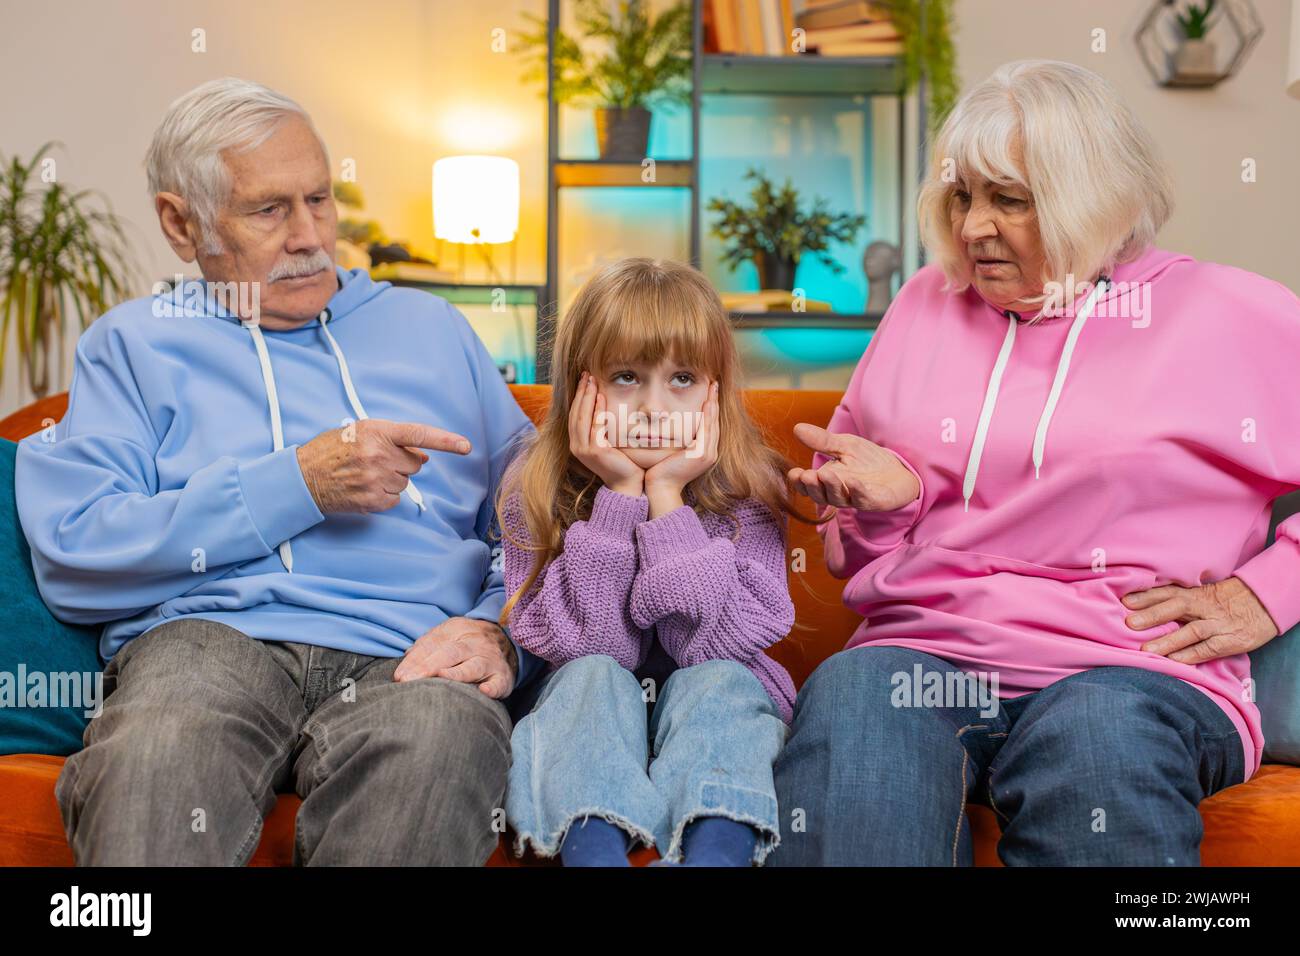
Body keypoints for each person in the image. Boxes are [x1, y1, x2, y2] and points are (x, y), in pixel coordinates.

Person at [769, 59, 1300, 866]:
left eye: (1007, 199)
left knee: (1095, 740)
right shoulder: (924, 304)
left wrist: (1268, 591)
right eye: (961, 196)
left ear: (1094, 198)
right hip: (925, 653)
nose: (973, 226)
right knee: (853, 708)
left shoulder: (1225, 315)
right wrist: (884, 507)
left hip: (1130, 671)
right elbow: (854, 548)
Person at [14, 77, 542, 865]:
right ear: (179, 222)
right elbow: (77, 548)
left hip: (411, 650)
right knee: (157, 756)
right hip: (206, 641)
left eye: (320, 200)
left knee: (442, 741)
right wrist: (296, 484)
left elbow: (540, 512)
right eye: (269, 209)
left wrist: (499, 627)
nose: (310, 236)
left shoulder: (432, 328)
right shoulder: (132, 344)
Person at [497, 257, 799, 866]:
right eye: (627, 377)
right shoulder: (530, 488)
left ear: (717, 389)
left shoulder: (749, 491)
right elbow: (586, 646)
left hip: (714, 715)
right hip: (591, 717)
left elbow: (713, 647)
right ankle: (594, 852)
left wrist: (667, 502)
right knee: (590, 679)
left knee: (721, 682)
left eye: (683, 378)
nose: (655, 408)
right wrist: (619, 500)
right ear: (583, 386)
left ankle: (716, 851)